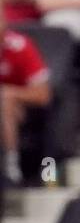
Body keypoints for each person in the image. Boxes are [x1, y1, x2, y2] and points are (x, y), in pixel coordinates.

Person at [0, 10, 49, 183]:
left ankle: (11, 164)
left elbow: (44, 95)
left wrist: (12, 93)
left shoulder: (21, 46)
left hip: (20, 109)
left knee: (4, 99)